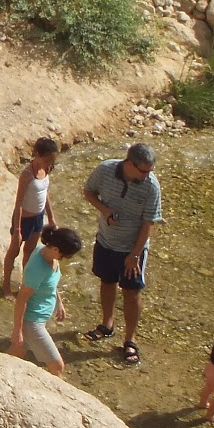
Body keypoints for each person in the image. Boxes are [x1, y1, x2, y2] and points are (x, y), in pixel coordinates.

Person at [82, 142, 162, 366]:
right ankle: (107, 324)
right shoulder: (105, 170)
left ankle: (130, 339)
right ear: (129, 163)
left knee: (132, 292)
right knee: (106, 282)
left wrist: (135, 255)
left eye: (150, 171)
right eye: (143, 171)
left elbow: (149, 224)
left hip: (132, 248)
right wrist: (105, 210)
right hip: (106, 241)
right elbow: (88, 192)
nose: (147, 176)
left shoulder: (151, 187)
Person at [7, 226, 82, 377]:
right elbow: (22, 299)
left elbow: (50, 283)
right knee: (57, 366)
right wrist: (17, 330)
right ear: (55, 249)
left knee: (17, 352)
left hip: (39, 318)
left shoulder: (50, 255)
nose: (66, 259)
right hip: (33, 323)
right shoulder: (37, 268)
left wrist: (59, 303)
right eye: (65, 255)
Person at [0, 138, 60, 299]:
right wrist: (17, 230)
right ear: (38, 155)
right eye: (47, 159)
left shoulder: (47, 169)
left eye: (51, 161)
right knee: (14, 251)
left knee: (30, 253)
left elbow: (44, 193)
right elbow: (18, 203)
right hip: (23, 219)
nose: (49, 163)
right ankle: (6, 287)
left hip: (38, 218)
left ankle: (26, 287)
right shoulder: (27, 174)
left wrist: (51, 217)